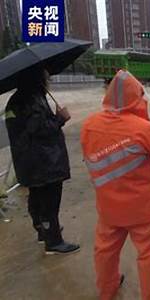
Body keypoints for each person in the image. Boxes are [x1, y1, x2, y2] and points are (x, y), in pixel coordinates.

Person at [81, 70, 150, 300]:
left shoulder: (89, 125)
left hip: (108, 207)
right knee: (148, 255)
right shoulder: (144, 129)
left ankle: (107, 290)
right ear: (137, 97)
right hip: (142, 209)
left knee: (105, 251)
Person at [5, 66, 80, 255]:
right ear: (36, 77)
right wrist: (60, 119)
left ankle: (43, 231)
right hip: (44, 161)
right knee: (49, 201)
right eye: (45, 74)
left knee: (37, 198)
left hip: (28, 161)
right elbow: (40, 130)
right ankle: (53, 242)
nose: (48, 77)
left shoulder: (17, 100)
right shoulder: (33, 100)